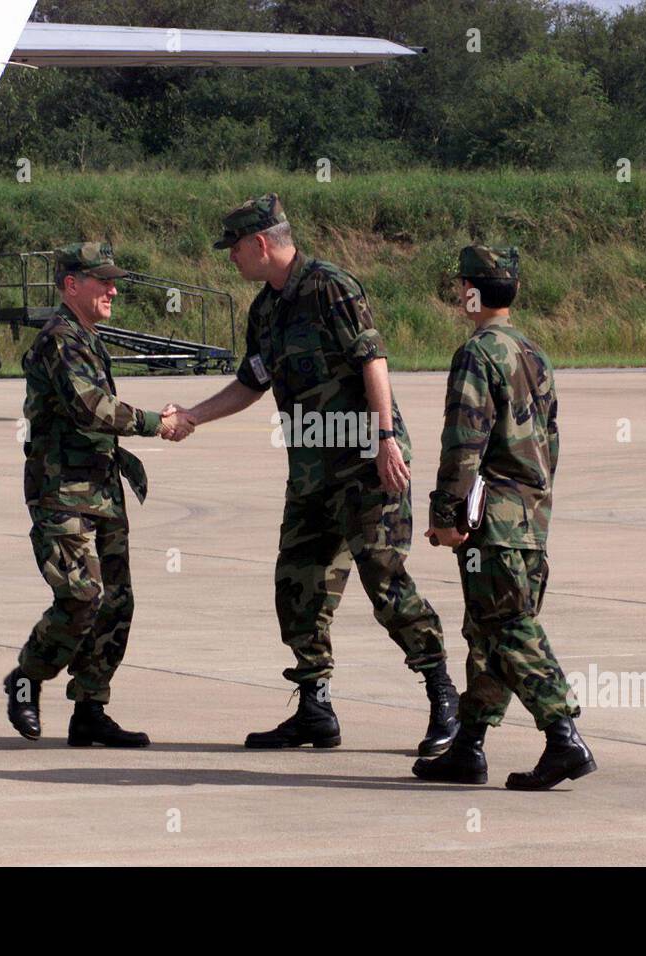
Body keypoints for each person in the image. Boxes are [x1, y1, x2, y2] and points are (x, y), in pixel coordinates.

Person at [166, 194, 458, 755]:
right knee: (297, 586)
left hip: (367, 468)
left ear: (260, 244)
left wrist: (384, 439)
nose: (231, 260)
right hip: (311, 475)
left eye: (234, 250)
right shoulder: (265, 310)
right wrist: (194, 417)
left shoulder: (330, 287)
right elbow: (252, 382)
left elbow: (372, 360)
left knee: (385, 584)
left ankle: (444, 696)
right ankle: (315, 708)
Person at [412, 245, 596, 791]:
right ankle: (468, 748)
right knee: (486, 632)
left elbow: (464, 441)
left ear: (471, 291)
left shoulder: (479, 353)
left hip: (493, 520)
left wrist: (447, 514)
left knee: (510, 629)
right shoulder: (533, 354)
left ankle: (563, 738)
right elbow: (551, 443)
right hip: (530, 517)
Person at [3, 242, 195, 748]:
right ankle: (26, 676)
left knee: (117, 605)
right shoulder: (60, 340)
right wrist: (159, 423)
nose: (112, 289)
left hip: (102, 490)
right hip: (62, 492)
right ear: (71, 285)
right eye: (102, 280)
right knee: (80, 598)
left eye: (113, 281)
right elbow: (91, 408)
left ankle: (90, 708)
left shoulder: (88, 338)